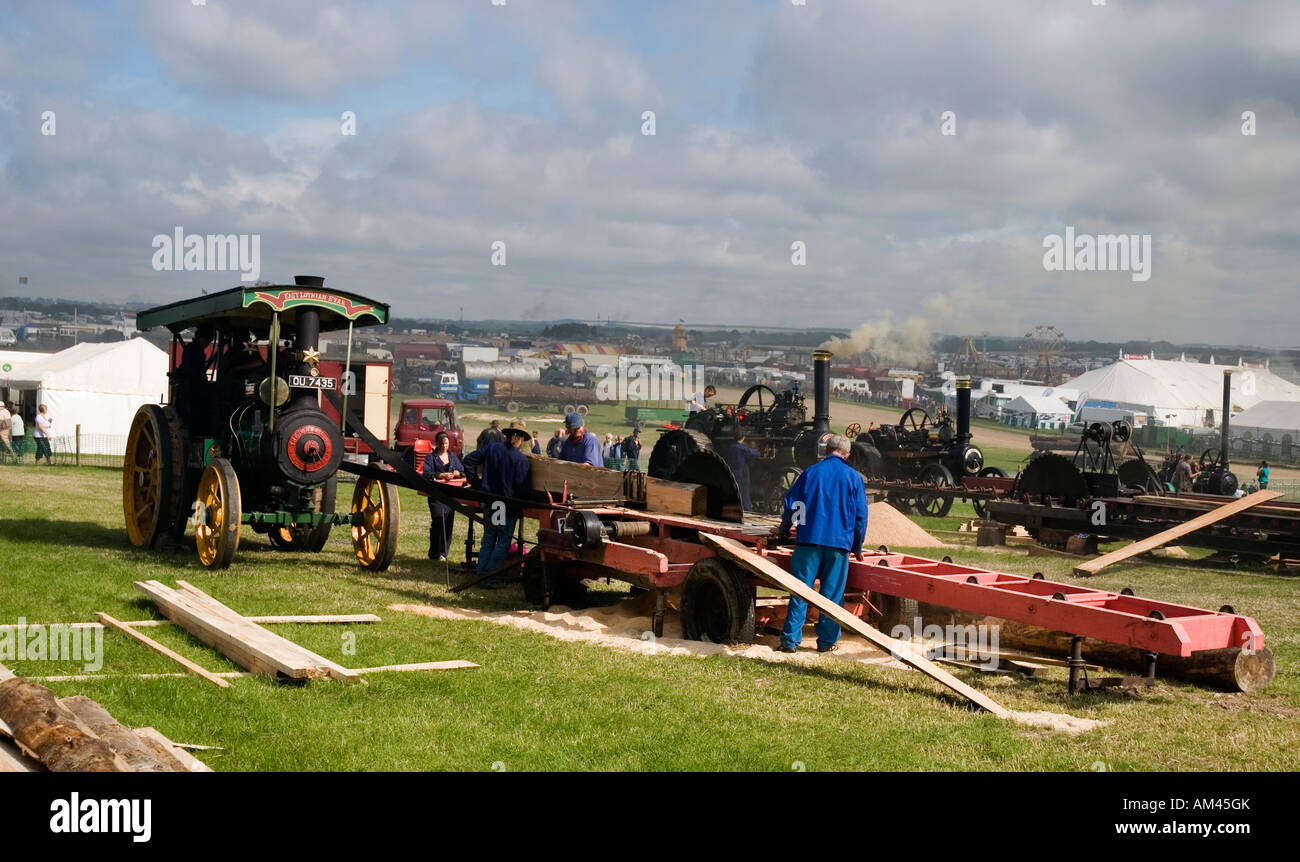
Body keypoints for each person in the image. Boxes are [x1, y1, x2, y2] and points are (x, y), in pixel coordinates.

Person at [776, 434, 868, 654]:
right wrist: (856, 546)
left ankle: (790, 642)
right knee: (832, 595)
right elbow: (860, 516)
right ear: (847, 454)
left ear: (827, 450)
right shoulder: (854, 478)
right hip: (839, 546)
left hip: (808, 542)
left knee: (800, 592)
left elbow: (793, 504)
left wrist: (786, 527)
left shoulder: (811, 472)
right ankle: (826, 643)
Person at [461, 419, 532, 586]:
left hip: (490, 502)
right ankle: (489, 576)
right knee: (503, 542)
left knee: (488, 539)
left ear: (507, 436)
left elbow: (468, 461)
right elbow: (522, 489)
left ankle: (481, 573)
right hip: (506, 507)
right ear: (521, 439)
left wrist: (476, 484)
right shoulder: (520, 460)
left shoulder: (492, 448)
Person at [422, 431, 465, 561]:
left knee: (448, 524)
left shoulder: (453, 457)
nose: (444, 446)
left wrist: (457, 473)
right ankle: (434, 553)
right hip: (436, 495)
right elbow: (427, 473)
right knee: (438, 521)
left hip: (451, 495)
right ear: (437, 444)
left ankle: (443, 553)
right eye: (441, 444)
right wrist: (441, 475)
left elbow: (462, 472)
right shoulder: (431, 457)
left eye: (446, 443)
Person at [726, 431, 761, 510]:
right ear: (743, 437)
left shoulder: (731, 447)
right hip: (741, 472)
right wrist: (758, 451)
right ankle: (748, 510)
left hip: (732, 471)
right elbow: (755, 454)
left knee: (735, 491)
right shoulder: (742, 448)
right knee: (744, 492)